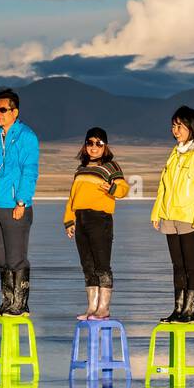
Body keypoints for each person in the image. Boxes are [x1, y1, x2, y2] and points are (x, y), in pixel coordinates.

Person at [0, 88, 40, 316]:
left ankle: (20, 303)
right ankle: (7, 300)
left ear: (15, 111)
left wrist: (21, 202)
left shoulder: (26, 137)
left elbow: (29, 171)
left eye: (3, 110)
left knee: (16, 258)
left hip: (14, 207)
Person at [151, 106, 194, 324]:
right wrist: (157, 211)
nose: (175, 130)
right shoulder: (175, 153)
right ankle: (178, 309)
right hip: (170, 216)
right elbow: (163, 185)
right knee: (177, 265)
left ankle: (190, 310)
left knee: (191, 265)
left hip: (189, 217)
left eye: (180, 126)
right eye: (173, 126)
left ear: (191, 126)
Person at [63, 127, 128, 321]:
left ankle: (103, 308)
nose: (94, 147)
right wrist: (69, 221)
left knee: (102, 264)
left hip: (100, 220)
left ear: (105, 146)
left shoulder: (111, 167)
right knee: (87, 265)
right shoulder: (81, 170)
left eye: (98, 143)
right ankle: (92, 307)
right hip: (81, 220)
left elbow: (123, 188)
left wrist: (113, 187)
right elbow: (72, 198)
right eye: (90, 143)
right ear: (85, 146)